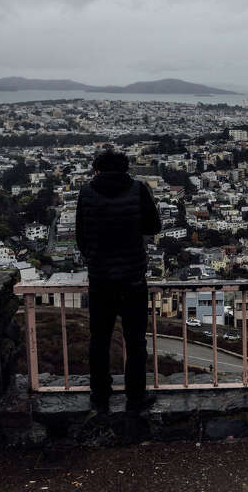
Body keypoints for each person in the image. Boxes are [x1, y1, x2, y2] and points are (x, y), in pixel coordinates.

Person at [76, 149, 161, 413]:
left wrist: (93, 256)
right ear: (125, 168)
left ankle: (100, 394)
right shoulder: (137, 189)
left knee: (99, 339)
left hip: (101, 279)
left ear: (97, 169)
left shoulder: (87, 192)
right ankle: (135, 397)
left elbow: (81, 234)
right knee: (135, 341)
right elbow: (154, 227)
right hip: (132, 279)